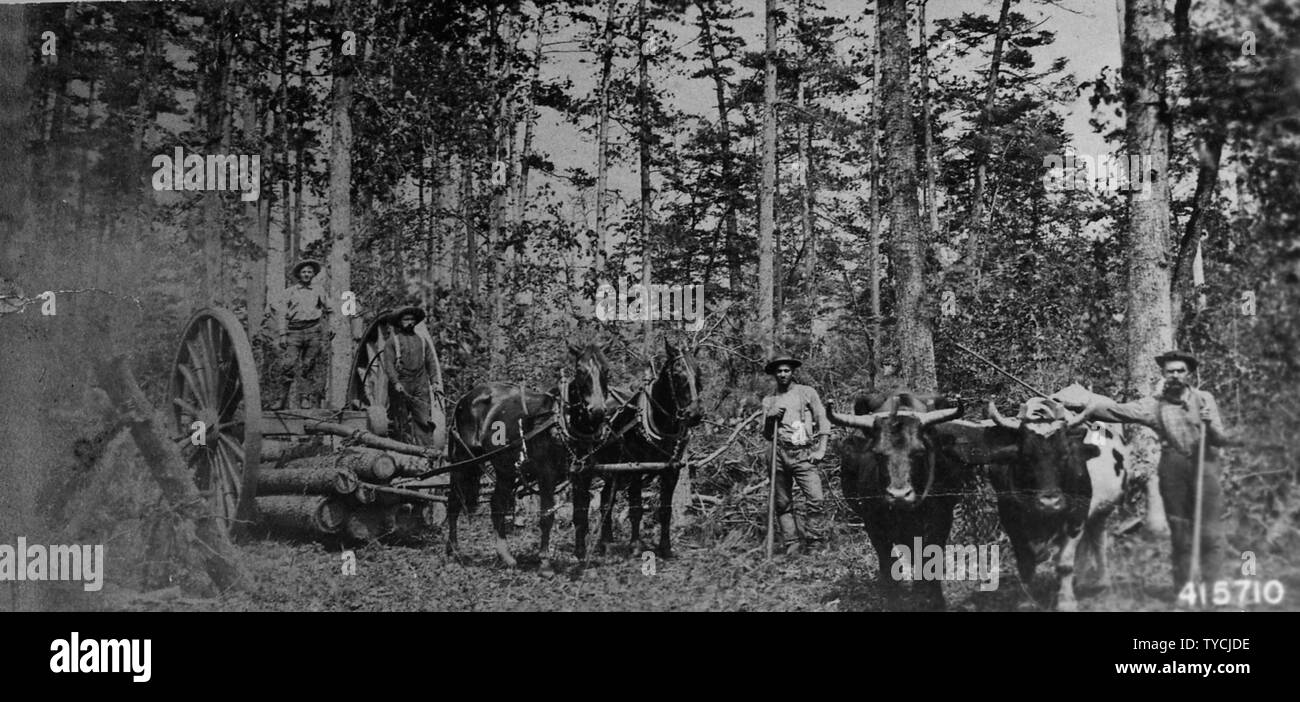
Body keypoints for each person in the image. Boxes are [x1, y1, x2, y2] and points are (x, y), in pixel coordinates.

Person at [1064, 351, 1238, 593]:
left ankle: (1212, 591)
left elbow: (1220, 439)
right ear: (1163, 375)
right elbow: (1115, 411)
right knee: (1180, 535)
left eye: (1180, 371)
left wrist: (1209, 425)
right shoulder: (1152, 405)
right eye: (1170, 371)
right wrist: (1081, 403)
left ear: (1189, 374)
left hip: (1205, 468)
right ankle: (1185, 592)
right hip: (1173, 471)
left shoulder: (1204, 399)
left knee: (1210, 533)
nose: (1175, 376)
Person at [760, 353, 831, 556]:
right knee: (782, 503)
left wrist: (821, 450)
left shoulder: (806, 393)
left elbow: (823, 419)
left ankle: (815, 542)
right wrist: (769, 418)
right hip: (777, 453)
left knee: (816, 498)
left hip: (803, 452)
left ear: (792, 372)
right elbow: (766, 434)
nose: (783, 374)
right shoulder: (769, 400)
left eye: (786, 370)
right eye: (779, 371)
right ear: (774, 374)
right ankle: (792, 544)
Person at [380, 305, 438, 447]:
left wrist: (435, 382)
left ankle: (425, 453)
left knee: (424, 419)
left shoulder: (423, 341)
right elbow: (389, 365)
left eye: (412, 319)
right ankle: (401, 452)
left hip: (421, 383)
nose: (409, 322)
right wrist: (395, 382)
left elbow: (431, 362)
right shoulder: (392, 342)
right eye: (406, 319)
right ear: (399, 322)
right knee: (401, 421)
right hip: (401, 384)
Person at [277, 259, 330, 410]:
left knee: (308, 365)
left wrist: (331, 327)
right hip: (294, 331)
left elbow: (330, 308)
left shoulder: (319, 291)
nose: (306, 274)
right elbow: (281, 313)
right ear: (299, 274)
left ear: (313, 274)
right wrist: (282, 334)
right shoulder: (290, 292)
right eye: (304, 272)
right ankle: (282, 398)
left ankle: (305, 398)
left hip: (313, 331)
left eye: (309, 272)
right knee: (289, 364)